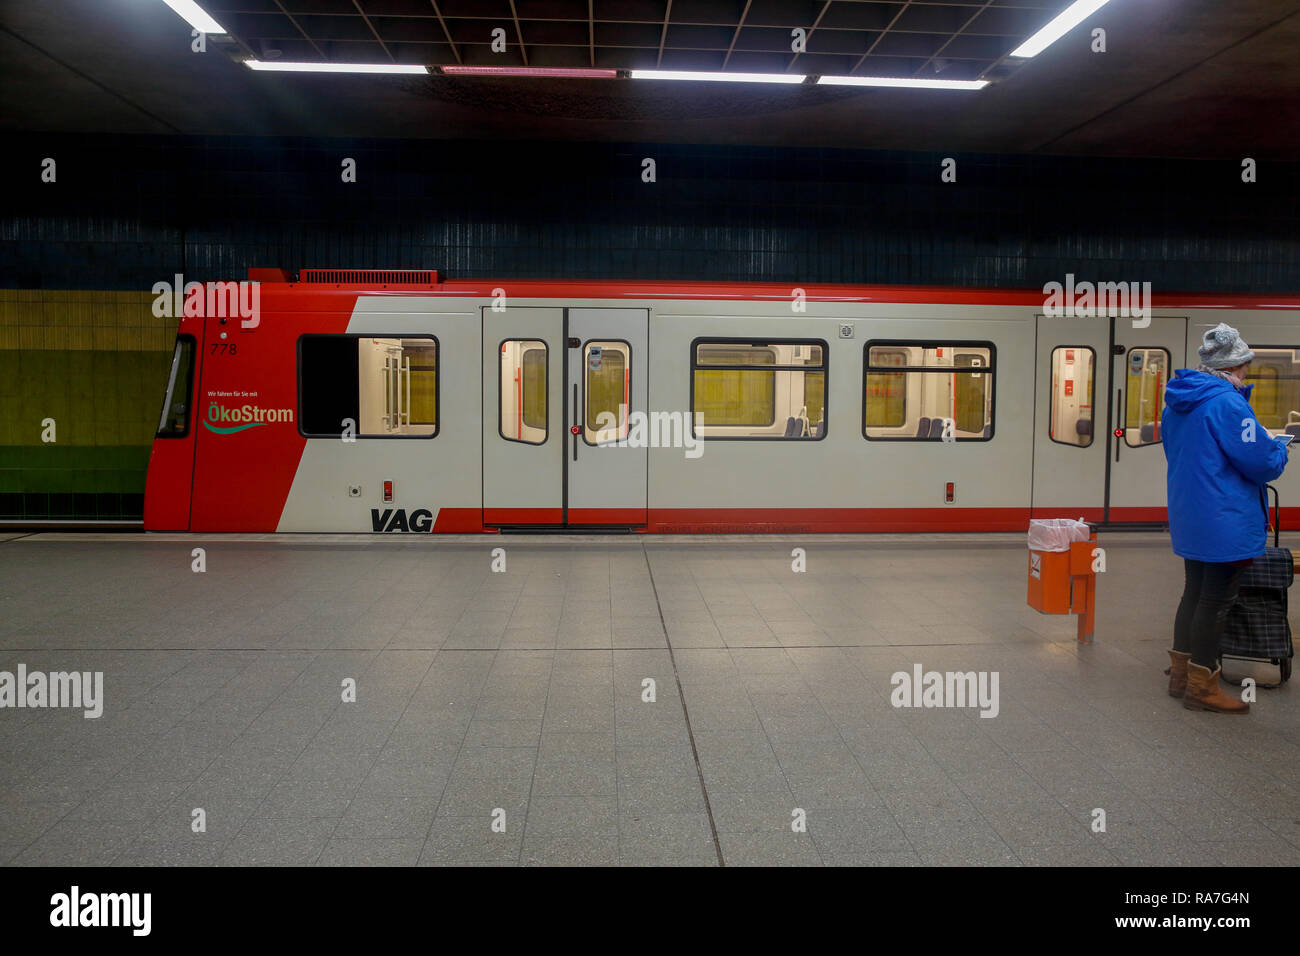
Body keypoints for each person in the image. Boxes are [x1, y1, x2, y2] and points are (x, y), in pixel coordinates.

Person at [1161, 323, 1289, 713]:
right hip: (1224, 517)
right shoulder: (1228, 403)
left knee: (1195, 593)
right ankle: (1203, 687)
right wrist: (1279, 449)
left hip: (1192, 512)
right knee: (1216, 601)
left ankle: (1181, 675)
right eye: (1246, 367)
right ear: (1235, 367)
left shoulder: (1177, 401)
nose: (1247, 374)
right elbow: (1261, 462)